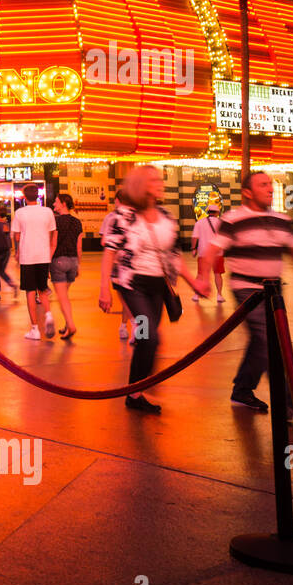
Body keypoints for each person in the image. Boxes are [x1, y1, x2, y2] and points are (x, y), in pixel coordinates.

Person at [198, 171, 293, 413]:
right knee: (267, 340)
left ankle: (242, 389)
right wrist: (202, 278)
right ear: (247, 192)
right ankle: (287, 404)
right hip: (246, 290)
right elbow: (212, 250)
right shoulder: (233, 219)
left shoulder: (282, 220)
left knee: (262, 341)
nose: (270, 189)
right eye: (263, 185)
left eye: (270, 184)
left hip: (274, 290)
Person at [99, 165, 207, 414]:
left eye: (160, 179)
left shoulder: (166, 217)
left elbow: (174, 257)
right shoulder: (122, 217)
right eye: (153, 180)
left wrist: (195, 283)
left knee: (148, 339)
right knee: (149, 333)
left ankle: (135, 391)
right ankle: (137, 388)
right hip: (132, 285)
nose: (160, 183)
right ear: (139, 185)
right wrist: (104, 288)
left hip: (158, 286)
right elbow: (109, 253)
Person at [11, 184, 58, 340]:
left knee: (30, 292)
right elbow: (52, 232)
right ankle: (49, 315)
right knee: (42, 289)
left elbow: (17, 237)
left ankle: (35, 329)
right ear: (38, 195)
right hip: (43, 255)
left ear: (24, 197)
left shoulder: (19, 213)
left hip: (28, 256)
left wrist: (17, 250)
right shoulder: (47, 212)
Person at [101, 189, 134, 343]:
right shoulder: (139, 216)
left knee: (127, 300)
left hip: (120, 266)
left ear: (118, 200)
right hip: (133, 267)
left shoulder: (112, 217)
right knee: (134, 301)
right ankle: (134, 330)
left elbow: (104, 242)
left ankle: (134, 329)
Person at [51, 193, 83, 340]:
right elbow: (79, 247)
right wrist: (78, 265)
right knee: (65, 296)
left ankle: (71, 326)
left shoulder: (56, 221)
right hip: (73, 262)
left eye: (56, 202)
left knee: (62, 297)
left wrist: (47, 261)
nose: (53, 204)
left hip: (59, 261)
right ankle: (66, 324)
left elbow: (54, 243)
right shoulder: (77, 222)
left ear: (63, 203)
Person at [190, 201, 226, 303]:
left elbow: (194, 237)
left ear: (208, 212)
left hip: (203, 253)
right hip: (218, 253)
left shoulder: (199, 223)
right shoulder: (221, 223)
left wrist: (193, 249)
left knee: (200, 275)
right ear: (217, 213)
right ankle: (219, 295)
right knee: (218, 274)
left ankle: (196, 295)